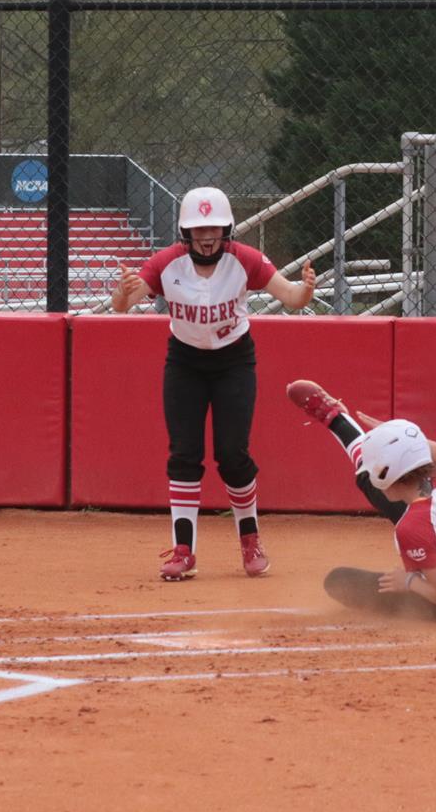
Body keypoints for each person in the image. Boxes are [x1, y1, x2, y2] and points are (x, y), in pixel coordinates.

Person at [110, 186, 318, 581]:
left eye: (215, 230)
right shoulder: (167, 263)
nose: (207, 239)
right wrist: (122, 292)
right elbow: (124, 304)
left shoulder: (244, 261)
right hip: (185, 362)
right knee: (184, 454)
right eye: (198, 231)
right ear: (184, 233)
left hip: (233, 362)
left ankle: (250, 538)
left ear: (228, 230)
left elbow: (291, 297)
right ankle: (184, 551)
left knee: (232, 454)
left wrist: (306, 289)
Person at [286, 381, 436, 621]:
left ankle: (338, 421)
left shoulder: (412, 528)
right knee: (417, 513)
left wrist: (409, 582)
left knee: (338, 582)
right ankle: (337, 420)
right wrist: (400, 441)